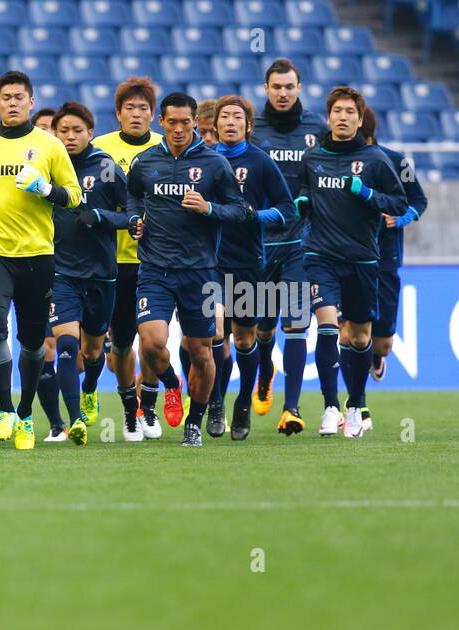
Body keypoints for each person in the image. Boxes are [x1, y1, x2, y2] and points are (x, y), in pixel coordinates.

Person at [0, 70, 81, 450]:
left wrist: (46, 189)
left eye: (18, 97)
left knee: (32, 340)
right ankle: (6, 408)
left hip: (38, 254)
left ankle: (25, 413)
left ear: (30, 100)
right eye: (5, 97)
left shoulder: (50, 146)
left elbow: (74, 196)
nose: (12, 102)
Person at [126, 92, 250, 447]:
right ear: (160, 122)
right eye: (172, 122)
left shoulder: (213, 164)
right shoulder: (144, 161)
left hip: (200, 272)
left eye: (185, 122)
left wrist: (209, 208)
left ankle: (194, 422)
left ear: (195, 122)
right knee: (151, 343)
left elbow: (239, 210)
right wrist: (135, 218)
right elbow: (133, 197)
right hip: (155, 268)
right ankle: (171, 385)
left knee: (202, 351)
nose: (179, 129)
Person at [294, 86, 406, 438]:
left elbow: (399, 204)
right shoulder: (312, 157)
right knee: (327, 326)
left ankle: (355, 405)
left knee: (360, 339)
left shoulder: (375, 160)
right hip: (320, 255)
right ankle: (329, 407)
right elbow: (302, 190)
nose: (342, 117)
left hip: (362, 259)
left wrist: (368, 193)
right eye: (337, 111)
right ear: (329, 116)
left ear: (360, 119)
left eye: (349, 112)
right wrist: (301, 203)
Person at [250, 58, 328, 425]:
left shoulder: (318, 128)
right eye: (276, 87)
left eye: (289, 86)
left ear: (299, 88)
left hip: (300, 243)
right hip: (259, 245)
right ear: (266, 89)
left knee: (297, 323)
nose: (283, 93)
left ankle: (291, 409)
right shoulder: (253, 129)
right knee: (262, 328)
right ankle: (265, 372)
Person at [211, 95, 294, 440]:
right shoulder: (203, 160)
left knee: (245, 339)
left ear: (248, 125)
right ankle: (215, 403)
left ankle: (243, 402)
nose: (230, 121)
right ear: (214, 125)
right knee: (214, 333)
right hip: (209, 263)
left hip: (247, 263)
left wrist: (256, 216)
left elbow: (287, 209)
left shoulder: (260, 162)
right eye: (224, 117)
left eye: (237, 117)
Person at [49, 101, 129, 446]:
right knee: (66, 344)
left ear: (90, 133)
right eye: (63, 130)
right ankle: (74, 420)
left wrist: (101, 216)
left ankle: (91, 388)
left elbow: (134, 214)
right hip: (59, 273)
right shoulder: (47, 167)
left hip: (101, 274)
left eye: (76, 130)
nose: (69, 136)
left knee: (94, 352)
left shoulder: (107, 168)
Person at [93, 77, 165, 441]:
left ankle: (149, 404)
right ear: (118, 113)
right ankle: (129, 410)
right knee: (121, 343)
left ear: (154, 114)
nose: (136, 114)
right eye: (129, 108)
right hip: (115, 263)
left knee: (153, 342)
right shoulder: (100, 149)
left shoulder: (165, 147)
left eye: (143, 108)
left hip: (158, 263)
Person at [359, 106, 427, 432]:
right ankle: (356, 405)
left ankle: (377, 354)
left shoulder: (398, 161)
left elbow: (419, 200)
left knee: (381, 340)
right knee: (351, 330)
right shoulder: (338, 162)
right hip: (348, 256)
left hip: (385, 256)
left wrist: (400, 219)